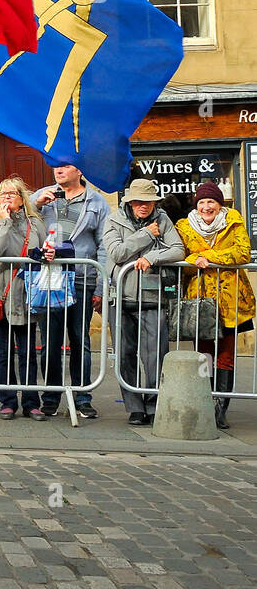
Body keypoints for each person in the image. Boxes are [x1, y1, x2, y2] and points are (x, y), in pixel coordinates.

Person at [104, 178, 185, 426]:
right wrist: (145, 235)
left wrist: (152, 256)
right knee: (125, 354)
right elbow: (117, 253)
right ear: (130, 202)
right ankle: (134, 406)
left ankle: (153, 403)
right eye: (139, 201)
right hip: (122, 297)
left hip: (153, 298)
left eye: (148, 202)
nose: (144, 206)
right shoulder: (114, 221)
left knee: (155, 356)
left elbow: (178, 249)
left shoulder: (163, 219)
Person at [31, 164, 109, 418]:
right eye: (56, 166)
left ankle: (82, 396)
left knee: (79, 340)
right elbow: (18, 216)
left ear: (80, 171)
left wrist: (100, 286)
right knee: (51, 341)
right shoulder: (44, 196)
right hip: (51, 279)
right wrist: (36, 204)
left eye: (65, 166)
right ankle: (51, 396)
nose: (58, 170)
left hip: (82, 279)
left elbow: (104, 247)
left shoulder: (96, 202)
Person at [175, 182, 252, 430]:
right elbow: (179, 254)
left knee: (226, 355)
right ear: (196, 206)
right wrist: (192, 260)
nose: (206, 207)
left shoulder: (233, 221)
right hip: (199, 298)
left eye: (211, 202)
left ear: (220, 204)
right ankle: (204, 403)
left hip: (231, 300)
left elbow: (243, 253)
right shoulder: (184, 226)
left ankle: (221, 409)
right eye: (201, 202)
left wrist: (208, 258)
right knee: (204, 354)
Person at [0, 176, 48, 420]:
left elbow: (40, 250)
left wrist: (48, 254)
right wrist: (5, 222)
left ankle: (31, 402)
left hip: (27, 293)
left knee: (28, 352)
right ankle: (7, 401)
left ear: (22, 199)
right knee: (4, 352)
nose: (7, 198)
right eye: (2, 194)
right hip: (1, 293)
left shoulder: (35, 223)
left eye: (12, 194)